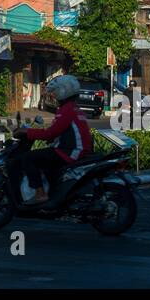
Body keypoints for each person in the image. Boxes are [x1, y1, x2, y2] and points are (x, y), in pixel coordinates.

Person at [16, 74, 93, 205]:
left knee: (28, 158)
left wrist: (26, 131)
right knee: (45, 159)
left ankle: (40, 194)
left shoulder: (66, 110)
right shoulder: (74, 108)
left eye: (54, 92)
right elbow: (61, 131)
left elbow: (49, 133)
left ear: (62, 92)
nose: (53, 95)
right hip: (77, 150)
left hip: (70, 152)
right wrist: (52, 138)